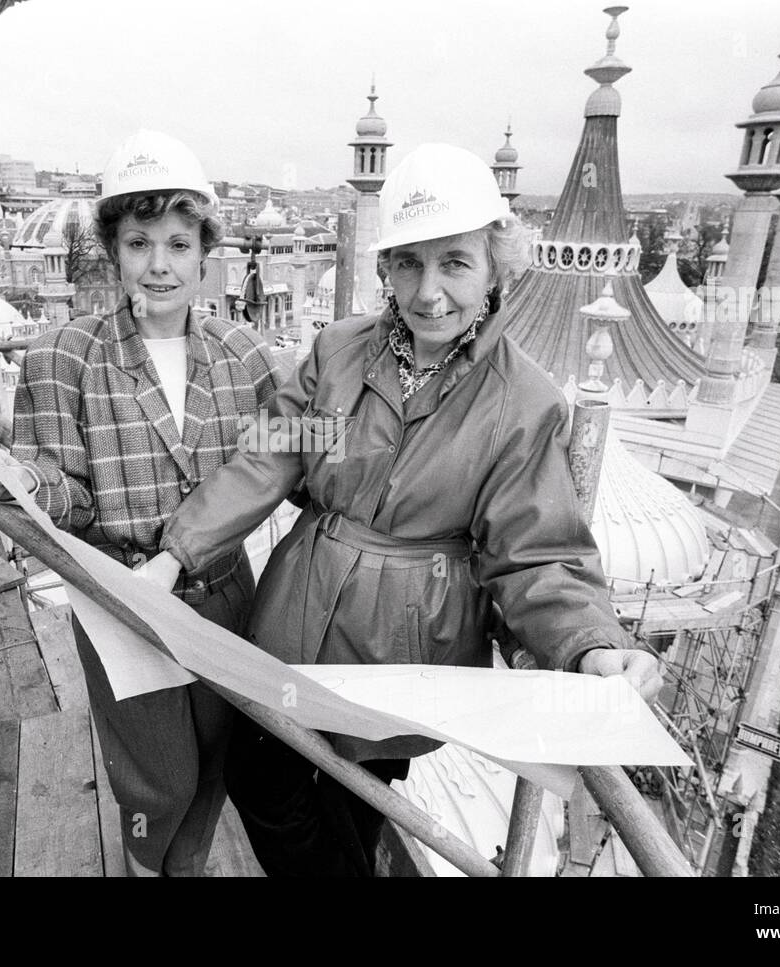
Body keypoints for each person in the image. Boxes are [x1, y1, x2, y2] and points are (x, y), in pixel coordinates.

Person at [138, 143, 661, 876]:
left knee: (358, 796)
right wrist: (176, 552)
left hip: (410, 639)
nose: (428, 291)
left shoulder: (522, 402)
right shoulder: (340, 354)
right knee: (264, 776)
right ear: (384, 267)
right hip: (302, 607)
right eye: (408, 262)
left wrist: (590, 643)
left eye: (454, 262)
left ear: (495, 268)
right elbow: (269, 457)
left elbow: (535, 551)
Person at [0, 130, 279, 876]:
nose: (161, 265)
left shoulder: (246, 356)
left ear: (206, 252)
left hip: (223, 593)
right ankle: (147, 864)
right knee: (155, 778)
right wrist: (21, 482)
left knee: (213, 760)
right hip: (124, 597)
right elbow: (67, 490)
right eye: (140, 243)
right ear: (115, 251)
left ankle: (188, 867)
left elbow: (281, 461)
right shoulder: (65, 355)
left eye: (178, 242)